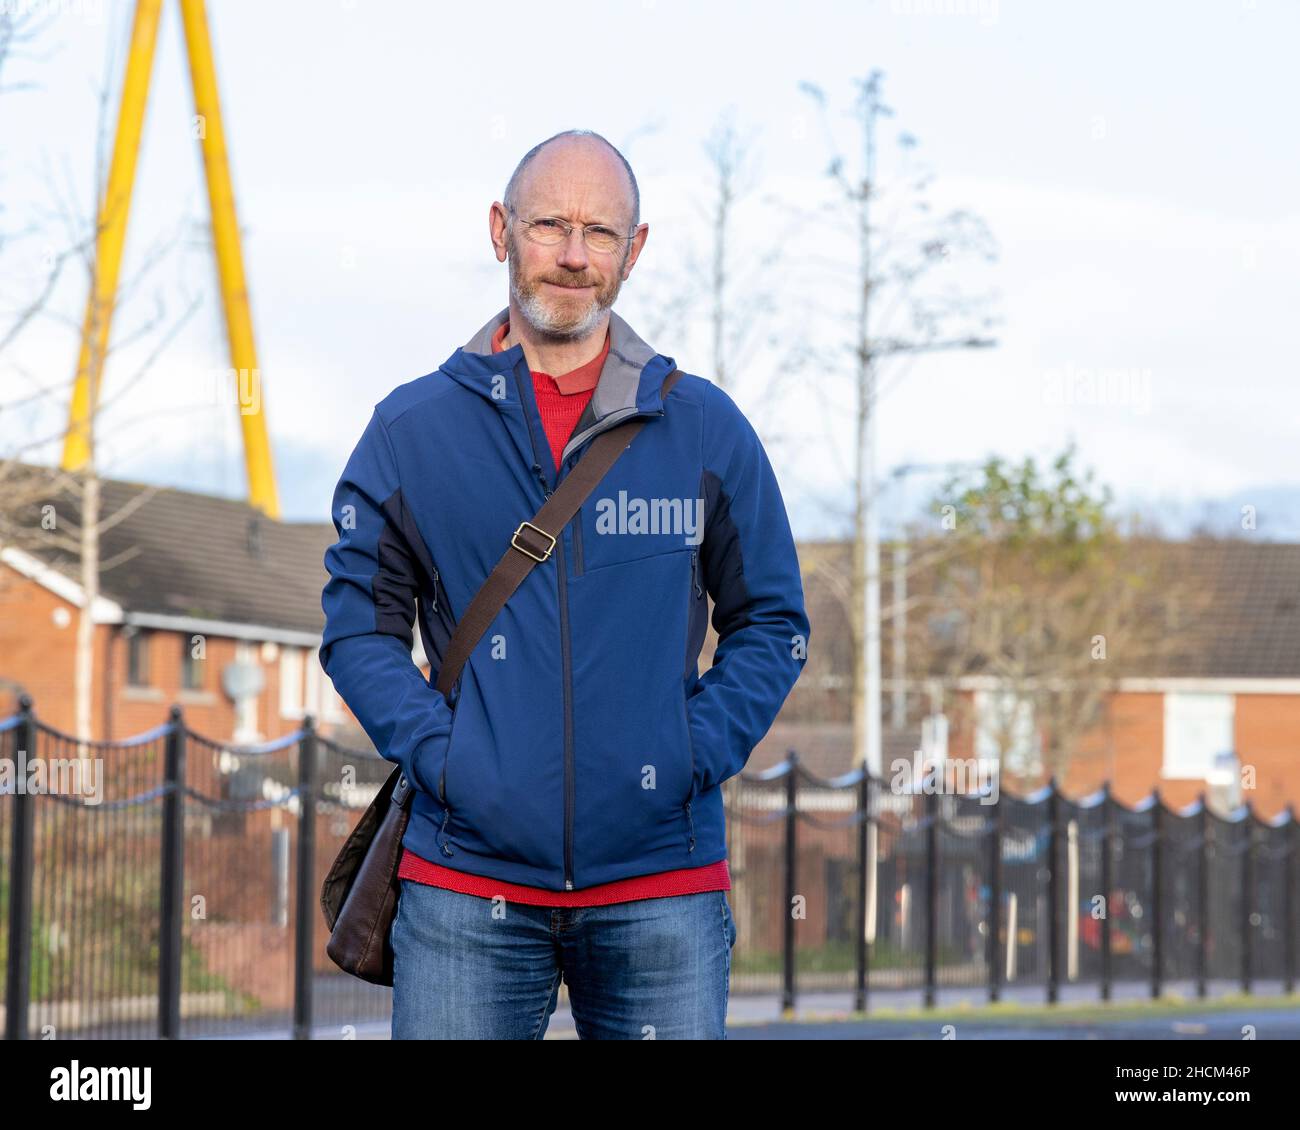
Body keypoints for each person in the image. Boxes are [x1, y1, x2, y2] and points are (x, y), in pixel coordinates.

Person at [320, 128, 809, 1039]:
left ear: (637, 249)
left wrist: (688, 749)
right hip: (466, 889)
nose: (575, 256)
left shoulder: (702, 428)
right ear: (501, 229)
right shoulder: (410, 430)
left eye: (601, 232)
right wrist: (451, 760)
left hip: (661, 888)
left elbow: (772, 621)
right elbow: (358, 633)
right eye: (550, 225)